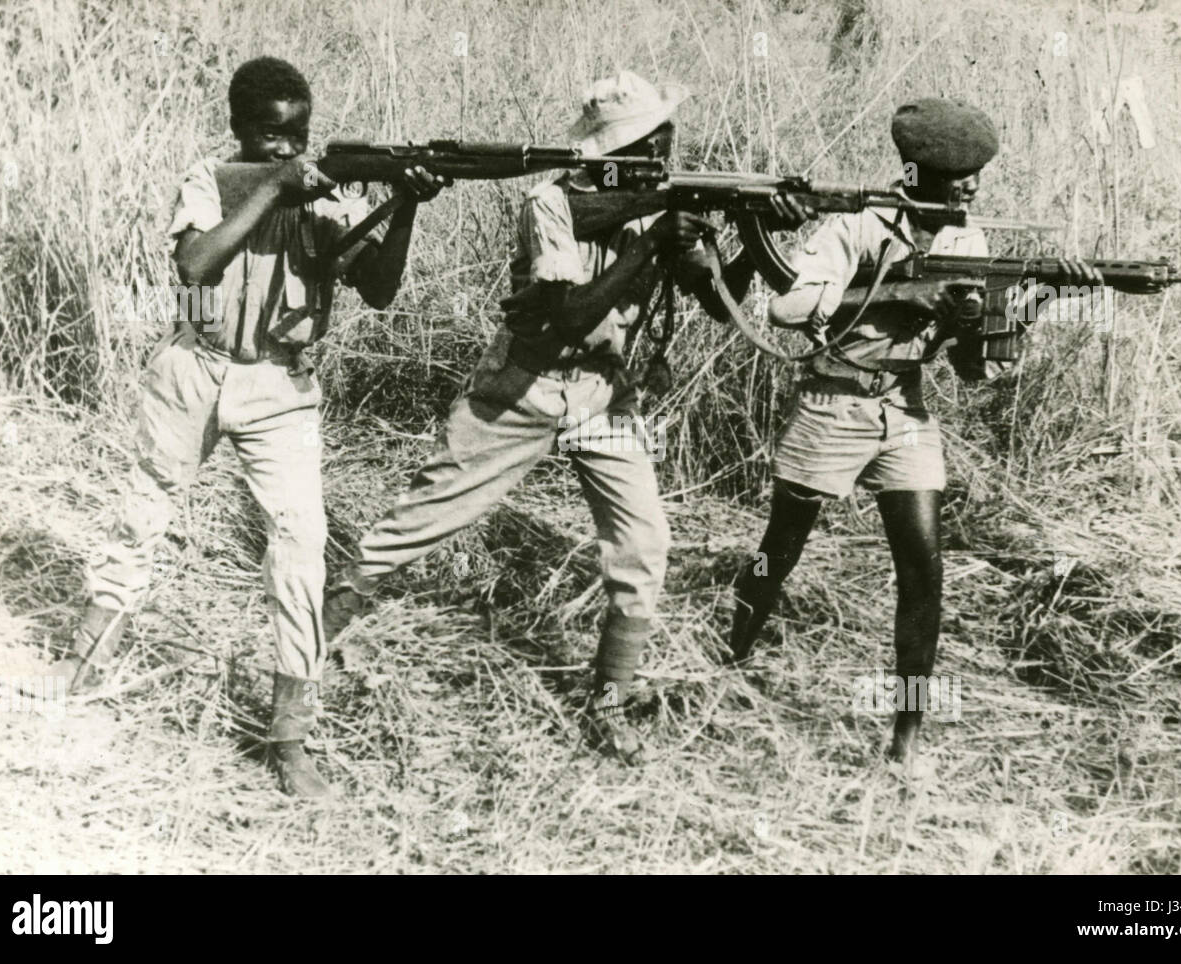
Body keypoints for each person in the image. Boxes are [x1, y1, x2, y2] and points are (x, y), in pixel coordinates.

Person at [322, 71, 761, 766]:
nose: (668, 155)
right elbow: (565, 317)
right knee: (418, 523)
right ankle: (313, 639)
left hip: (601, 397)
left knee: (644, 547)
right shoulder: (549, 204)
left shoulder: (654, 206)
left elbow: (716, 303)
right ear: (612, 151)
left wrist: (750, 237)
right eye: (654, 143)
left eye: (668, 142)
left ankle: (611, 701)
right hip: (524, 389)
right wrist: (651, 246)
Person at [48, 56, 441, 798]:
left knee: (300, 550)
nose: (288, 151)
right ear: (239, 130)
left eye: (300, 138)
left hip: (281, 387)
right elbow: (196, 266)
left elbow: (381, 290)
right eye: (271, 137)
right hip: (195, 365)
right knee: (144, 512)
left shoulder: (332, 200)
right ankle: (84, 659)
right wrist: (270, 192)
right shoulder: (208, 179)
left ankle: (288, 735)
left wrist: (406, 204)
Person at [725, 98, 1103, 765]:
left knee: (924, 571)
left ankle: (906, 735)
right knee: (778, 552)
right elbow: (787, 306)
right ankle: (725, 660)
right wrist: (903, 295)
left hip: (904, 410)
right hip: (832, 402)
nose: (971, 186)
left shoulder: (967, 241)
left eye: (976, 173)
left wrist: (1038, 298)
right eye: (956, 173)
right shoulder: (856, 223)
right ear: (913, 169)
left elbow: (975, 367)